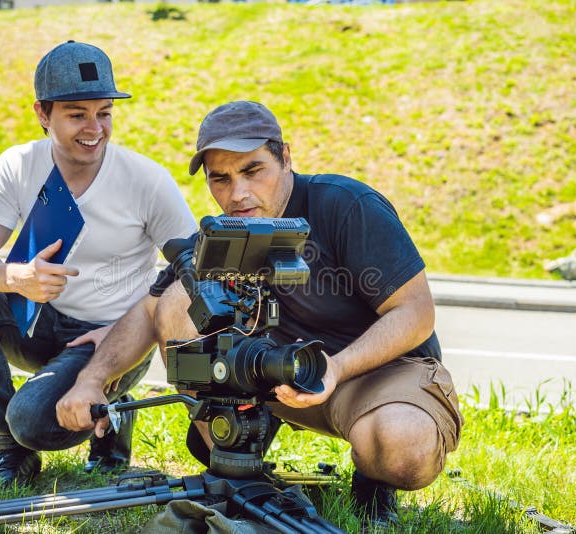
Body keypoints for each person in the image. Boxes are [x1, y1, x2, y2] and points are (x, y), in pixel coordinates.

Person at [151, 101, 464, 523]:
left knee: (404, 449)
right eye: (220, 179)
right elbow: (148, 312)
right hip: (273, 374)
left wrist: (334, 368)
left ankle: (374, 476)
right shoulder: (224, 233)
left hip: (374, 372)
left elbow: (415, 313)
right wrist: (94, 380)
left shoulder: (347, 205)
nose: (237, 194)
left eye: (252, 170)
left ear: (286, 157)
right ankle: (235, 460)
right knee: (175, 299)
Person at [0, 41, 196, 489]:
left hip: (109, 339)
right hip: (35, 320)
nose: (95, 128)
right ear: (42, 113)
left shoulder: (146, 180)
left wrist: (133, 323)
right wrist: (13, 277)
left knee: (34, 420)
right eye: (78, 114)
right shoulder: (17, 164)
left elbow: (195, 268)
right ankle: (13, 454)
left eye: (105, 113)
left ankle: (107, 416)